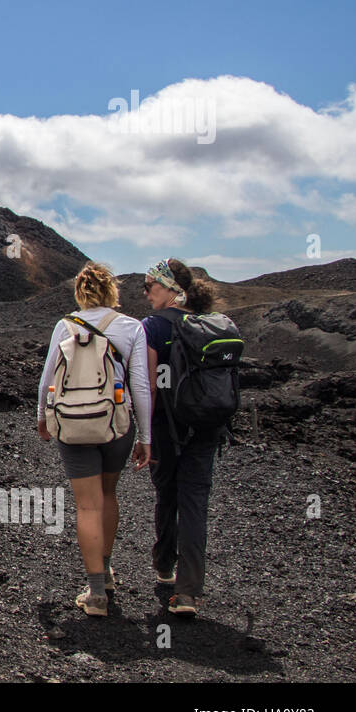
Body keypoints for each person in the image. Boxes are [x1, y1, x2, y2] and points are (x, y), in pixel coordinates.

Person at [37, 263, 152, 617]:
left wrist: (43, 418)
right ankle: (108, 568)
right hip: (115, 424)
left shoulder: (65, 325)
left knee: (87, 505)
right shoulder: (132, 327)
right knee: (108, 493)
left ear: (80, 292)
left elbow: (46, 382)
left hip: (72, 424)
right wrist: (146, 436)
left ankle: (97, 592)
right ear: (111, 291)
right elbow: (142, 387)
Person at [141, 258, 222, 617]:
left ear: (172, 289)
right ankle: (188, 593)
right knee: (194, 503)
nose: (145, 293)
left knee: (167, 495)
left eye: (150, 286)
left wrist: (143, 432)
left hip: (164, 427)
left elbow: (151, 386)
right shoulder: (210, 326)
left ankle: (163, 567)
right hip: (206, 426)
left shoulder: (153, 327)